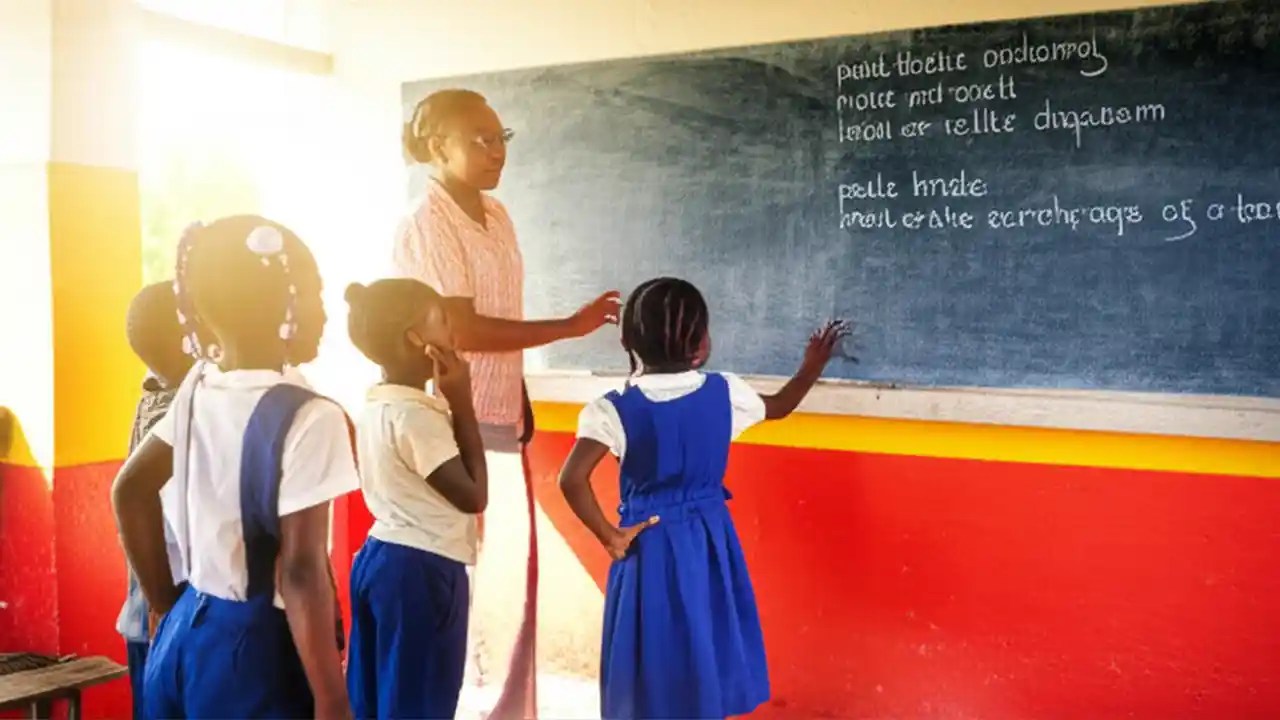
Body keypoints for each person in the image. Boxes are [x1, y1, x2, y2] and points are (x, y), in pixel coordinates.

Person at [395, 88, 620, 715]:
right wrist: (567, 329)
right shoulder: (428, 224)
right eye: (479, 139)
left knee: (506, 584)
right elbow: (460, 330)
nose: (496, 151)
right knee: (461, 584)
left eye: (501, 138)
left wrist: (517, 394)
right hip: (450, 422)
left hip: (498, 419)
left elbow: (499, 317)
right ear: (438, 146)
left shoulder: (496, 215)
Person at [557, 277, 850, 720]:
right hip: (707, 540)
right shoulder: (725, 392)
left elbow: (571, 479)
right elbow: (782, 405)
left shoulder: (612, 408)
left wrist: (610, 536)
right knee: (702, 637)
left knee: (653, 650)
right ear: (701, 344)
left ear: (626, 339)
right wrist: (812, 365)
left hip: (647, 546)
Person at [111, 215, 358, 719]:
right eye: (313, 293)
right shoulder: (312, 417)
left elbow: (131, 490)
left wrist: (164, 602)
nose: (325, 315)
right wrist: (333, 700)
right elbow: (302, 569)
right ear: (279, 303)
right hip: (257, 651)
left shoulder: (198, 390)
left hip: (186, 634)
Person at [344, 278, 487, 720]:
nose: (453, 329)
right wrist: (462, 402)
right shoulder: (413, 418)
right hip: (421, 570)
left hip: (381, 557)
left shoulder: (379, 406)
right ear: (416, 341)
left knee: (376, 698)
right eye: (442, 321)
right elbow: (474, 495)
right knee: (419, 703)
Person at [116, 281, 192, 720]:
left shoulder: (151, 398)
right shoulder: (179, 413)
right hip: (168, 603)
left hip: (148, 607)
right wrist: (164, 605)